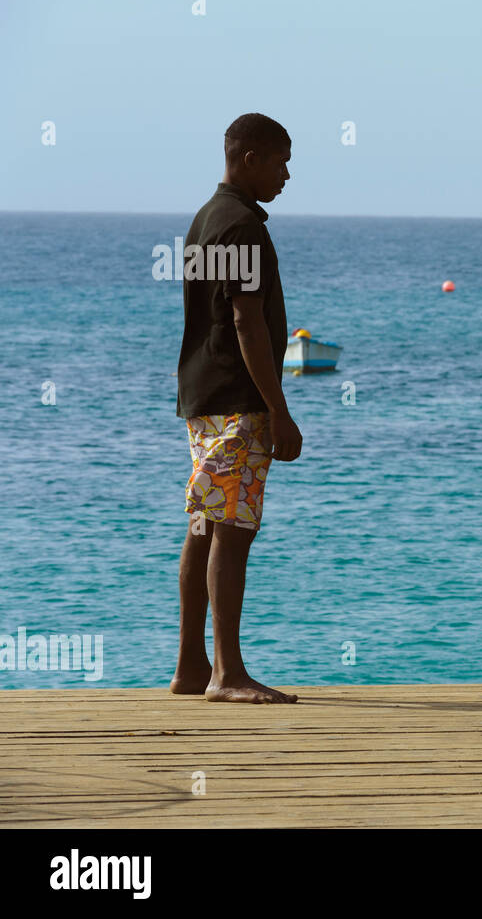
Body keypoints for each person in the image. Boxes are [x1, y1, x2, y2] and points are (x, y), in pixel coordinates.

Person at [171, 112, 301, 704]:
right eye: (280, 161)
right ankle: (228, 673)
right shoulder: (243, 226)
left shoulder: (205, 220)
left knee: (203, 522)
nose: (286, 174)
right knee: (231, 530)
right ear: (248, 157)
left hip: (202, 395)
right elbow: (246, 321)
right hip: (237, 399)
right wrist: (278, 408)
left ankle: (191, 666)